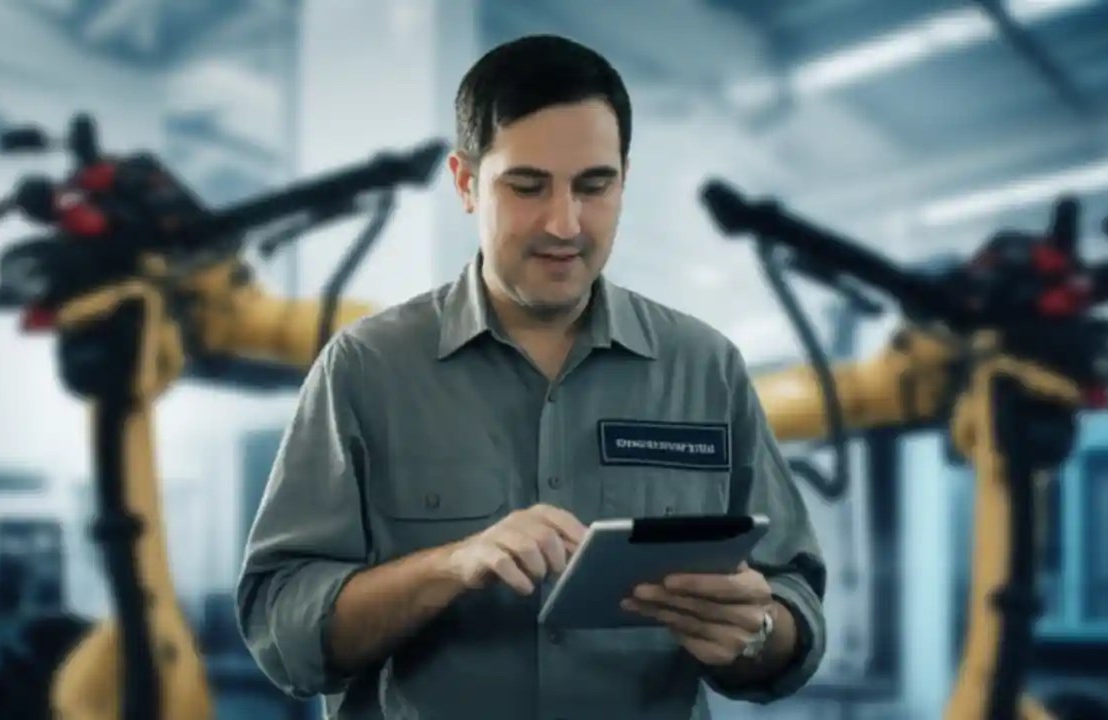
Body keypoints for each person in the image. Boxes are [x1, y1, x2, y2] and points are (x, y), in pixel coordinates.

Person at [236, 33, 827, 720]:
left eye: (594, 185)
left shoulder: (706, 368)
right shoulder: (367, 369)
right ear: (466, 183)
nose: (564, 223)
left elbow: (793, 606)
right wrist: (451, 566)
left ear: (624, 182)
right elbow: (281, 629)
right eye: (527, 186)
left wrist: (758, 631)